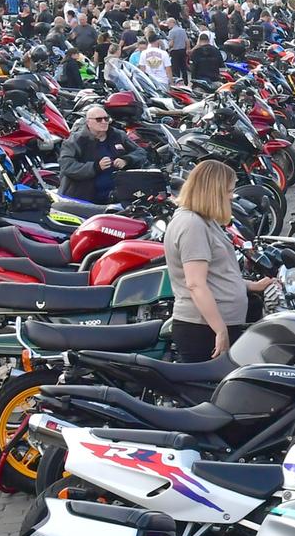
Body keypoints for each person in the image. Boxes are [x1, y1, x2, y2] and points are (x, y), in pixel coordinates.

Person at [165, 160, 271, 361]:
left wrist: (251, 286)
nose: (232, 196)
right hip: (203, 329)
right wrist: (220, 330)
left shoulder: (202, 220)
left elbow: (217, 274)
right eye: (228, 191)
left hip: (211, 326)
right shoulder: (192, 225)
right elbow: (196, 284)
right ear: (213, 191)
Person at [56, 104, 140, 203]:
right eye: (99, 119)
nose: (104, 122)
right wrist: (95, 167)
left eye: (106, 119)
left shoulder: (117, 135)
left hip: (117, 194)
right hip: (84, 198)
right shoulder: (75, 141)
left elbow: (140, 153)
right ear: (88, 122)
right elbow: (68, 167)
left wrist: (127, 159)